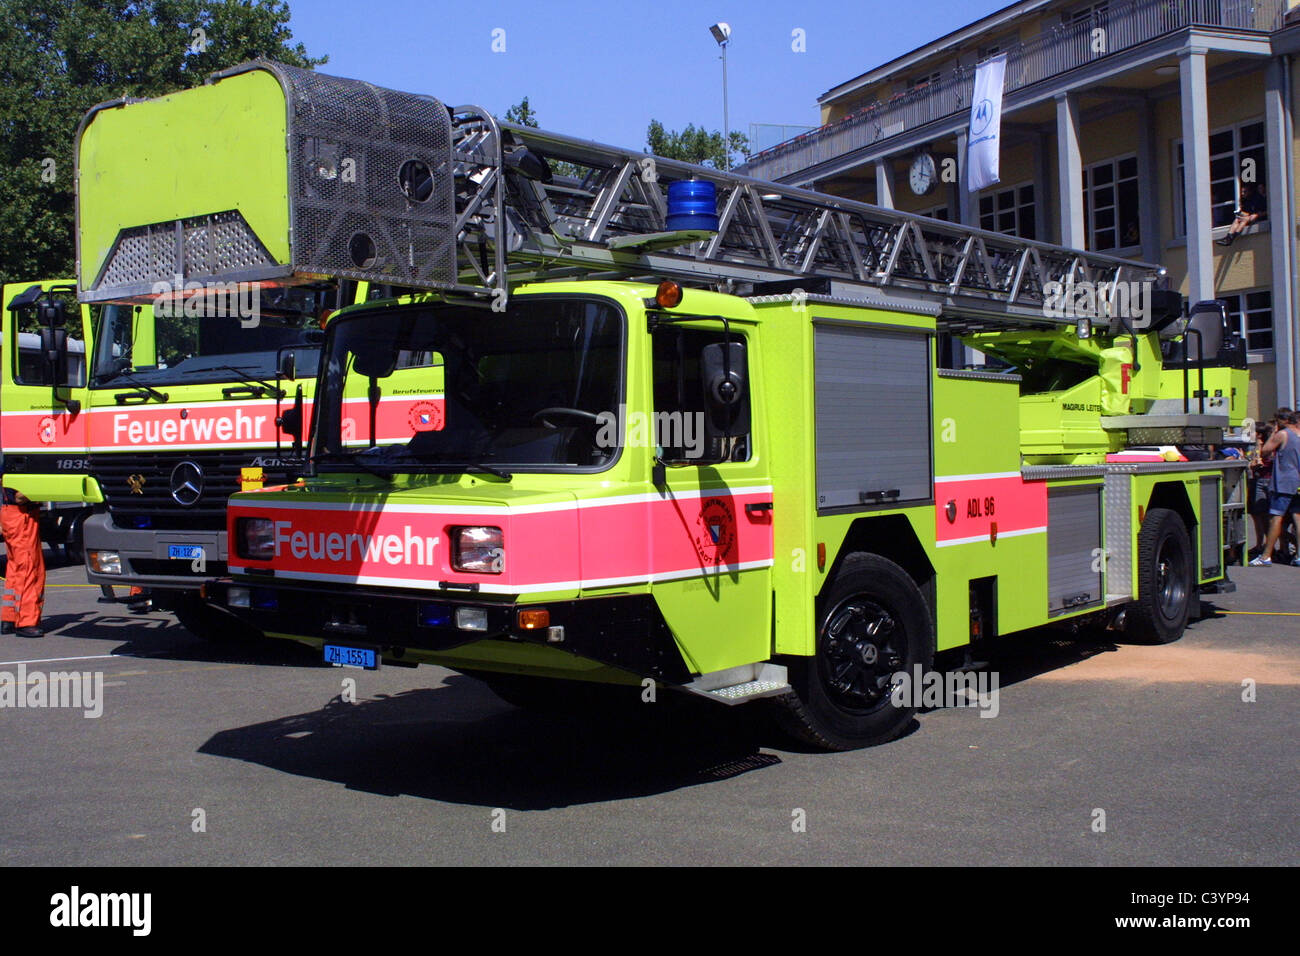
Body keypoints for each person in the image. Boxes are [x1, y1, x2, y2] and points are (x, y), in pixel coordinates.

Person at [1251, 410, 1300, 566]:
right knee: (1297, 518)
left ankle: (1266, 556)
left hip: (1284, 482)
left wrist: (1274, 433)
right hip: (1298, 481)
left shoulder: (1283, 434)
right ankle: (1298, 555)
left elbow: (1265, 451)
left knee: (1275, 518)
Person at [1, 484, 46, 637]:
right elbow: (20, 497)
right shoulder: (19, 466)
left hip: (13, 515)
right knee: (29, 570)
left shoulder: (9, 463)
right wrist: (45, 488)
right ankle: (26, 622)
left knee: (15, 569)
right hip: (22, 516)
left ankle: (10, 618)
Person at [1216, 182, 1267, 246]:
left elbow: (1266, 211)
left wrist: (1257, 215)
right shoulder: (1246, 201)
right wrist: (1242, 214)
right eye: (1242, 192)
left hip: (1260, 219)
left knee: (1244, 219)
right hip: (1250, 217)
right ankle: (1229, 237)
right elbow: (1248, 212)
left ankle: (1233, 236)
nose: (1242, 194)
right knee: (1237, 219)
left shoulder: (1259, 199)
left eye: (1245, 192)